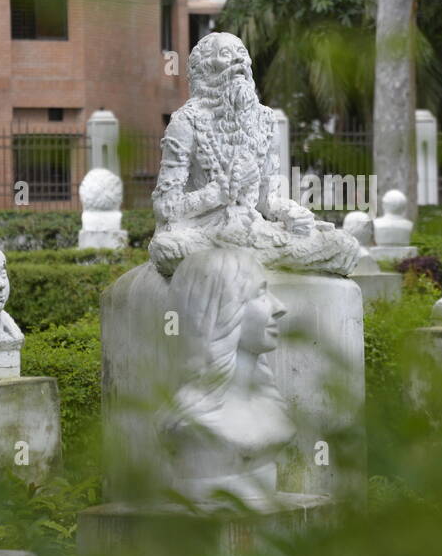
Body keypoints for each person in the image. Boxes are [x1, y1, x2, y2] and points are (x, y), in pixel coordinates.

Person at [148, 32, 358, 277]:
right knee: (169, 249)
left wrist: (289, 212)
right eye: (226, 55)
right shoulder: (185, 121)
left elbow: (265, 199)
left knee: (343, 246)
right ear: (205, 69)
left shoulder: (266, 120)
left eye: (242, 56)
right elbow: (166, 207)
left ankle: (244, 260)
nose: (238, 62)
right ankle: (251, 260)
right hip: (204, 230)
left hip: (252, 231)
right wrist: (219, 192)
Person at [162, 248, 296, 509]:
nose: (280, 308)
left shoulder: (269, 403)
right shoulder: (194, 423)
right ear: (219, 310)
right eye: (260, 293)